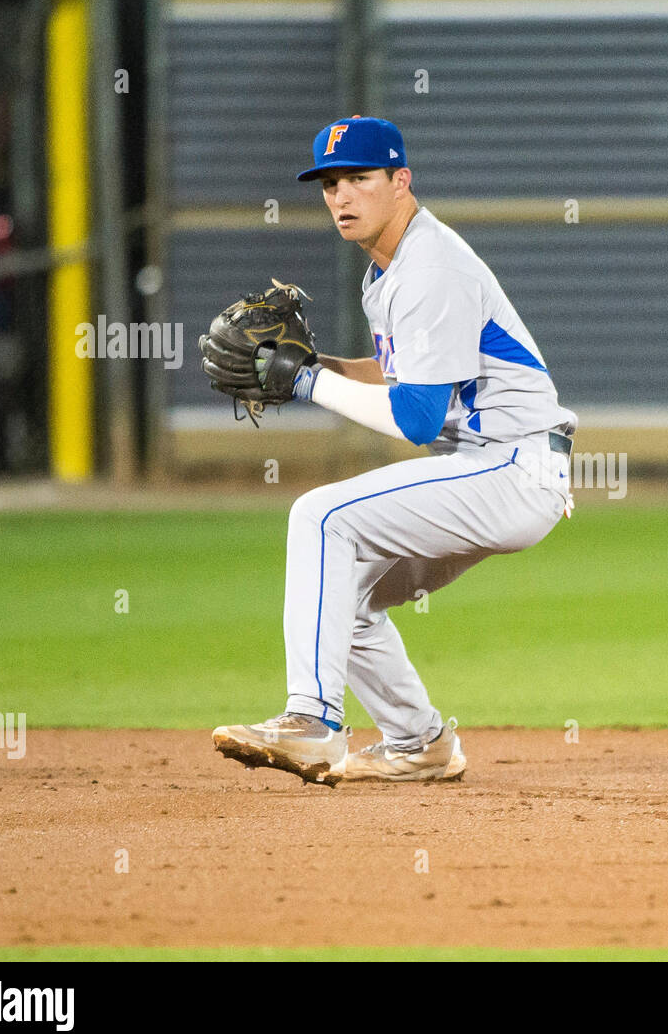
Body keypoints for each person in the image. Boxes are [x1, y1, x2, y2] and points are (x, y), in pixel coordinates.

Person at [212, 115, 577, 785]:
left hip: (510, 465)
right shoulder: (392, 269)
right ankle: (419, 742)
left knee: (321, 517)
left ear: (401, 180)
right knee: (339, 593)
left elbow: (415, 417)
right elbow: (411, 376)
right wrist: (318, 363)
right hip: (492, 465)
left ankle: (314, 722)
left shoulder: (429, 269)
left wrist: (304, 380)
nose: (342, 197)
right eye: (329, 184)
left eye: (359, 178)